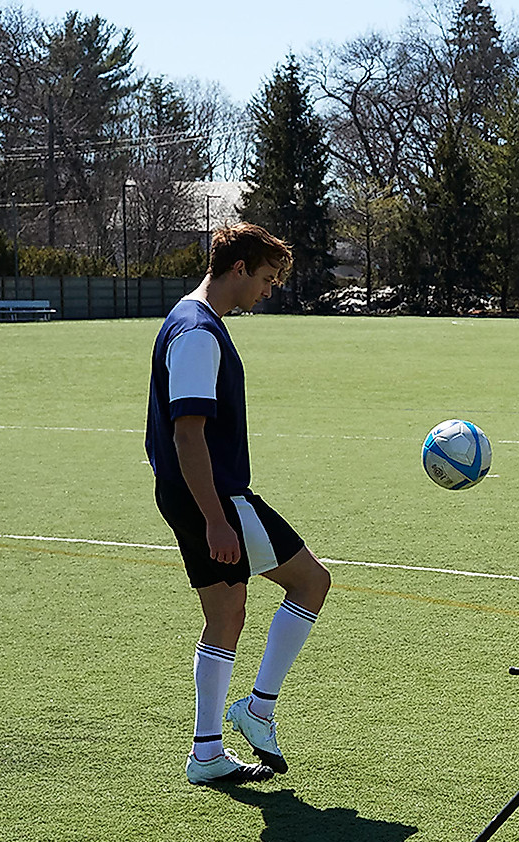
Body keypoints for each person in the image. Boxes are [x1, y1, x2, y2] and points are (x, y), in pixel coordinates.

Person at [146, 223, 331, 786]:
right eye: (267, 278)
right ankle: (258, 709)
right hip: (214, 495)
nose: (269, 290)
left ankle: (206, 753)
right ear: (238, 268)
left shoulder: (192, 319)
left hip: (192, 492)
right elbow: (187, 434)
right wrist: (215, 519)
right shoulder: (198, 332)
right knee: (311, 582)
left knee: (225, 613)